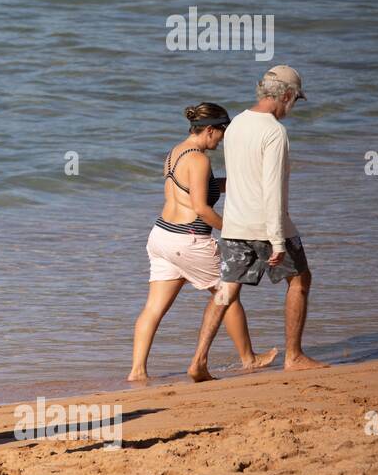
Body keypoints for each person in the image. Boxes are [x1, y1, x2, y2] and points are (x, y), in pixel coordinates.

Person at [189, 66, 328, 377]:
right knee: (300, 281)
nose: (293, 107)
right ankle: (293, 355)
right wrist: (277, 240)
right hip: (267, 224)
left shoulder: (236, 123)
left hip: (235, 223)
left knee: (226, 291)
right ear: (287, 96)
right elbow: (272, 188)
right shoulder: (274, 131)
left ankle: (198, 360)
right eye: (295, 100)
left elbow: (240, 177)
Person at [131, 103, 277, 382]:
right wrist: (235, 230)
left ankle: (137, 372)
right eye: (221, 133)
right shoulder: (199, 160)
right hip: (189, 240)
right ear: (210, 129)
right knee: (228, 294)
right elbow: (201, 208)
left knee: (153, 309)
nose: (222, 140)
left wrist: (240, 181)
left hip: (162, 237)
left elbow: (194, 187)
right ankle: (249, 359)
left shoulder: (175, 153)